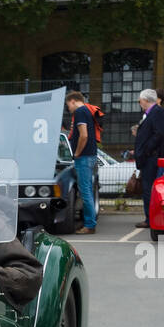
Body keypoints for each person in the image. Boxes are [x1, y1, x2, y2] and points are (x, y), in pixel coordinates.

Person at [133, 89, 164, 228]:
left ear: (146, 100)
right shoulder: (150, 114)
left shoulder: (157, 112)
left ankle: (150, 219)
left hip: (151, 158)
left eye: (140, 100)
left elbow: (159, 134)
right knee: (147, 189)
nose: (139, 103)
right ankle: (149, 217)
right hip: (148, 157)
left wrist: (146, 151)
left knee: (149, 189)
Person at [66, 91, 98, 235]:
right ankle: (89, 222)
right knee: (87, 190)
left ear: (73, 101)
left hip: (83, 157)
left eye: (68, 105)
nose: (68, 108)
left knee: (85, 191)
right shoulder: (87, 111)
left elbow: (83, 135)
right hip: (89, 156)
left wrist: (77, 153)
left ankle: (89, 225)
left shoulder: (80, 112)